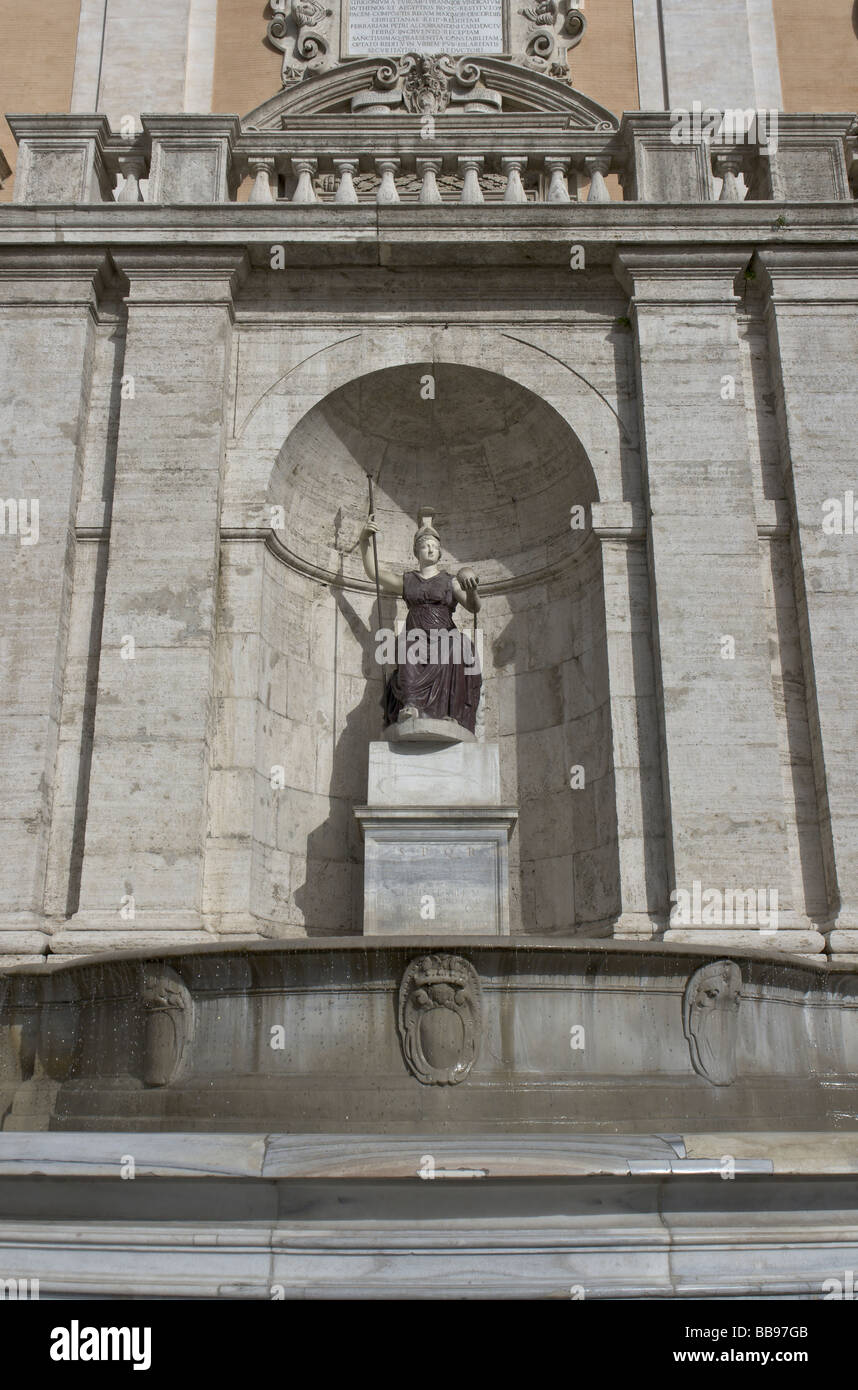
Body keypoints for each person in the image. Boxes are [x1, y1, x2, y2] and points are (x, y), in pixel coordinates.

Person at [360, 510, 482, 734]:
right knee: (406, 644)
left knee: (456, 646)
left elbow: (473, 607)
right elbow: (373, 572)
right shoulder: (407, 580)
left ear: (440, 552)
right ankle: (411, 706)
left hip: (444, 634)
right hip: (416, 636)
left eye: (434, 546)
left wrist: (472, 589)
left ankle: (452, 714)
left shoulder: (450, 581)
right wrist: (364, 539)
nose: (430, 549)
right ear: (416, 551)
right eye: (425, 545)